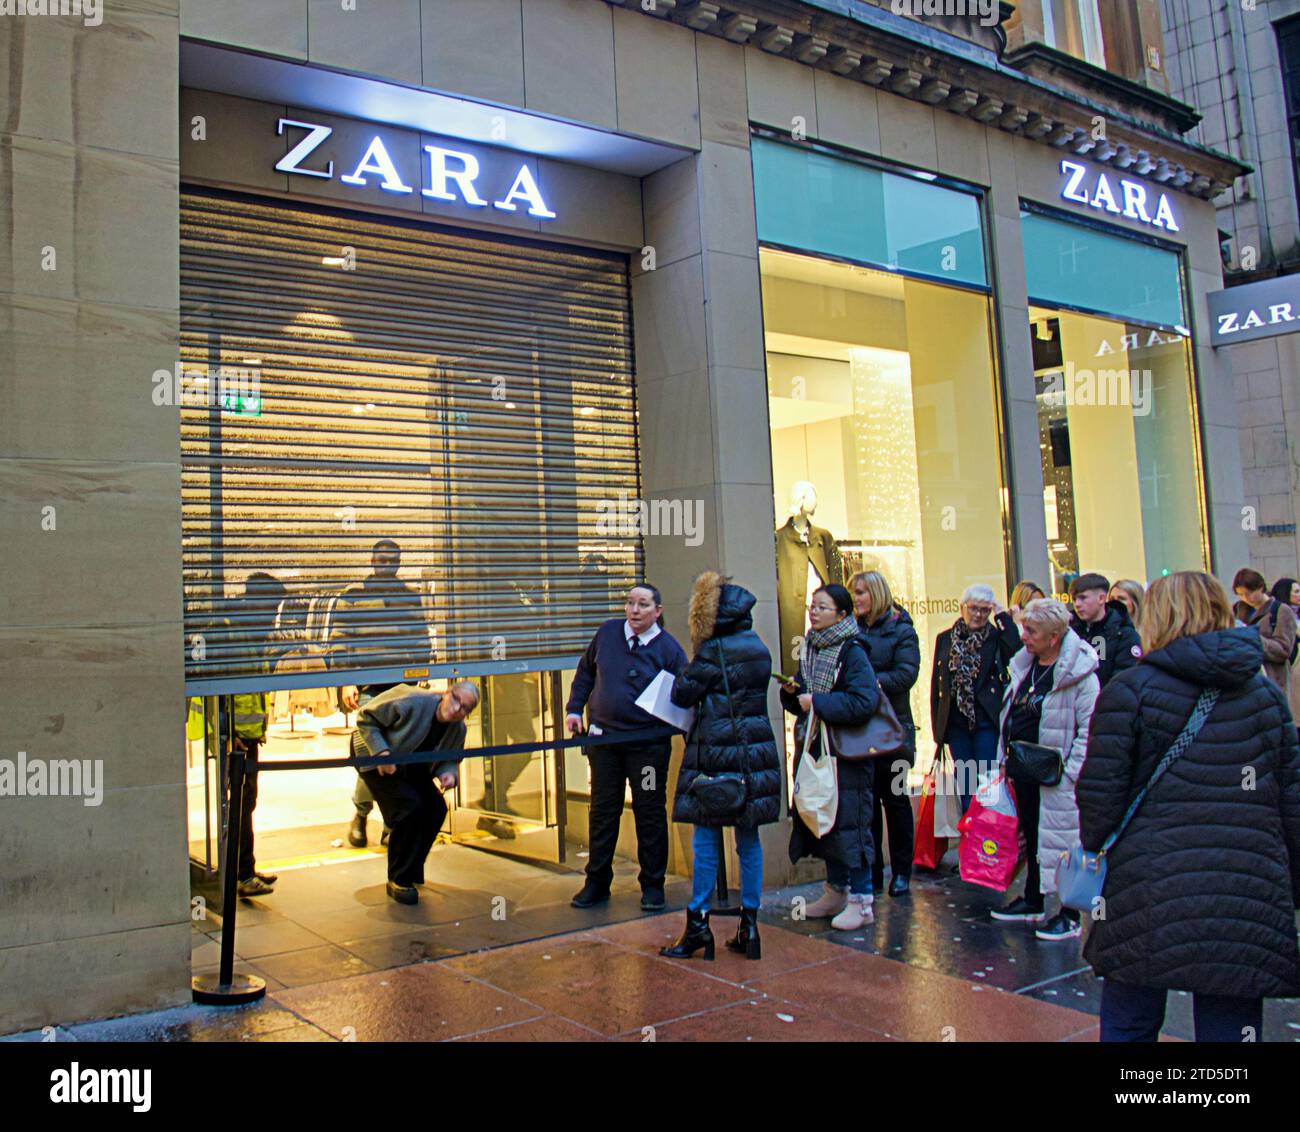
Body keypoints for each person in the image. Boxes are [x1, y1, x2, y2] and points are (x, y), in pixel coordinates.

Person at [1079, 571, 1300, 1042]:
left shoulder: (1129, 690)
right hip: (1244, 884)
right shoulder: (1264, 695)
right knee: (1230, 1023)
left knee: (1130, 1017)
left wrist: (1095, 850)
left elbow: (1100, 794)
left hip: (1144, 881)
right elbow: (1292, 799)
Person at [658, 572, 780, 961]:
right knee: (749, 841)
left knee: (707, 840)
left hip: (714, 754)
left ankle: (698, 926)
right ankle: (751, 926)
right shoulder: (759, 648)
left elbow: (681, 693)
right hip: (754, 757)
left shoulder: (714, 652)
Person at [566, 583, 687, 912]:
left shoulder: (669, 649)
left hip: (647, 748)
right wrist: (575, 709)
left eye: (643, 604)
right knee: (603, 812)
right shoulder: (606, 634)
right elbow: (585, 672)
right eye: (630, 603)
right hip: (605, 743)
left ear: (657, 611)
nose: (634, 610)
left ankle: (652, 885)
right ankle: (597, 882)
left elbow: (685, 694)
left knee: (649, 812)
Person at [989, 598, 1099, 940]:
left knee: (1064, 841)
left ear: (1054, 637)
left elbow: (1089, 729)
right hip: (1024, 770)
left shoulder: (1081, 676)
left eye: (1031, 631)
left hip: (1057, 776)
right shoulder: (1026, 666)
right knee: (1034, 836)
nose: (1024, 637)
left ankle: (1069, 914)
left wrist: (1070, 773)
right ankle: (1034, 899)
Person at [782, 584, 880, 930]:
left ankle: (862, 901)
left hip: (846, 754)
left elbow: (863, 702)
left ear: (841, 614)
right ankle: (835, 892)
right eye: (812, 605)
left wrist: (817, 703)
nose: (814, 612)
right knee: (826, 824)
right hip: (818, 748)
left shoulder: (852, 651)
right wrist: (793, 695)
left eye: (822, 607)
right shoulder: (811, 646)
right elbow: (805, 693)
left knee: (851, 826)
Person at [338, 539, 435, 847]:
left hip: (403, 689)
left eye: (392, 560)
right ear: (371, 560)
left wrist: (421, 676)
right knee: (370, 756)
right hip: (369, 690)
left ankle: (392, 819)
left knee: (398, 758)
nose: (386, 565)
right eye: (381, 559)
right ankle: (362, 813)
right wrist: (345, 681)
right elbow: (340, 642)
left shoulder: (410, 598)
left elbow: (421, 641)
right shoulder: (353, 598)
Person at [352, 681, 479, 903]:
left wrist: (448, 773)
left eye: (466, 708)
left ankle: (411, 869)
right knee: (408, 810)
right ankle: (399, 879)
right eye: (457, 700)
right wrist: (381, 752)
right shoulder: (411, 700)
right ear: (447, 693)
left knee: (436, 809)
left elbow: (450, 758)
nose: (458, 709)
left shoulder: (458, 728)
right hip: (374, 756)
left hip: (409, 766)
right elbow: (366, 718)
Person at [851, 570, 920, 897]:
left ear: (875, 595)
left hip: (894, 730)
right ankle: (874, 870)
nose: (856, 599)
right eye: (854, 593)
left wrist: (870, 683)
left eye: (862, 593)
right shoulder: (852, 629)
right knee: (869, 804)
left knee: (895, 800)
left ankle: (902, 871)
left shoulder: (901, 630)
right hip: (863, 730)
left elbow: (906, 674)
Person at [232, 571, 293, 898]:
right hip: (237, 737)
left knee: (247, 803)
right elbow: (221, 683)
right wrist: (228, 732)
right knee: (240, 805)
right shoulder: (234, 631)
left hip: (249, 734)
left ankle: (246, 868)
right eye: (272, 605)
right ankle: (240, 876)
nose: (275, 613)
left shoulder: (253, 631)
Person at [931, 584, 1017, 812]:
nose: (978, 614)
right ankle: (971, 835)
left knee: (987, 784)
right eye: (973, 608)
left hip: (986, 722)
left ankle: (987, 836)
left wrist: (1001, 615)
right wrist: (939, 729)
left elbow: (1016, 652)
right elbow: (937, 685)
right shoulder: (945, 638)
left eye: (984, 610)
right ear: (962, 608)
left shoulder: (996, 638)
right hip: (957, 724)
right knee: (966, 785)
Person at [1233, 568, 1298, 714]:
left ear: (1260, 587)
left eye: (1248, 593)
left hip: (1272, 679)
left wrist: (1253, 637)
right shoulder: (1238, 610)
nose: (1245, 598)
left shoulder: (1281, 611)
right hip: (1246, 678)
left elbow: (1284, 649)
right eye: (1241, 594)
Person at [1069, 572, 1142, 688]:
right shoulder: (1069, 632)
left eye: (1083, 598)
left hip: (1107, 701)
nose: (1077, 604)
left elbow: (1125, 679)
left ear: (1102, 598)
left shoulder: (1124, 634)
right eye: (1074, 599)